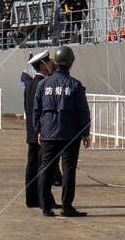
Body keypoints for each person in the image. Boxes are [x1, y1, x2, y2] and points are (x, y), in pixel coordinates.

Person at [34, 45, 91, 218]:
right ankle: (67, 207)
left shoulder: (43, 84)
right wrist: (85, 133)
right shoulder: (75, 85)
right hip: (70, 134)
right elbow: (83, 110)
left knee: (46, 169)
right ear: (71, 63)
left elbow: (36, 109)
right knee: (69, 170)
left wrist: (39, 129)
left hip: (49, 132)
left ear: (55, 63)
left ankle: (45, 207)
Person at [22, 50, 52, 209]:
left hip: (31, 133)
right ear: (43, 65)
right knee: (44, 167)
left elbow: (27, 109)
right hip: (42, 133)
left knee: (32, 166)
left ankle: (31, 199)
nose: (52, 63)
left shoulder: (29, 85)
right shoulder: (44, 84)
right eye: (49, 61)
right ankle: (43, 200)